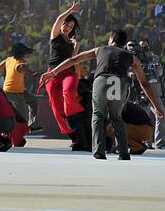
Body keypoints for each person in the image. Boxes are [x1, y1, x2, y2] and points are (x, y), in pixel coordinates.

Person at [40, 29, 165, 161]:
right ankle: (123, 153)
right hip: (120, 82)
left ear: (111, 40)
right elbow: (144, 83)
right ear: (123, 43)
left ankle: (99, 151)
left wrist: (53, 72)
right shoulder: (132, 57)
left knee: (98, 116)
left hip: (102, 80)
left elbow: (74, 59)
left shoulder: (100, 49)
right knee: (117, 117)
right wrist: (156, 106)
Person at [43, 1, 87, 149]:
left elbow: (73, 60)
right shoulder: (55, 36)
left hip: (68, 72)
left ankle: (76, 114)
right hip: (52, 74)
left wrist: (76, 47)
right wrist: (70, 10)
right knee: (56, 108)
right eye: (67, 25)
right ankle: (73, 136)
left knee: (68, 92)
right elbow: (58, 20)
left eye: (71, 27)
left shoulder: (72, 42)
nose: (68, 28)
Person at [0, 42, 38, 129]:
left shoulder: (9, 59)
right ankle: (16, 132)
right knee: (21, 114)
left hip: (16, 90)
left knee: (33, 100)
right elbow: (30, 73)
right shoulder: (21, 64)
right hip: (13, 92)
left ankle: (32, 124)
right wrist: (36, 74)